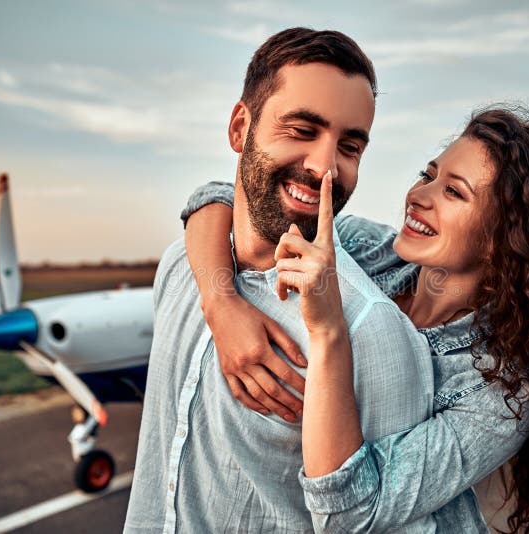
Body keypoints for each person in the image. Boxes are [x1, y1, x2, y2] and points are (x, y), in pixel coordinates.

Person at [181, 107, 529, 532]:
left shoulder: (498, 394)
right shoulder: (366, 250)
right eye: (429, 175)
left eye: (454, 192)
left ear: (506, 238)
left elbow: (352, 511)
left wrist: (330, 330)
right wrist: (221, 305)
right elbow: (222, 198)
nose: (419, 196)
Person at [125, 27, 449, 533]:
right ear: (239, 128)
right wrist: (220, 298)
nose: (325, 166)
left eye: (349, 145)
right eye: (301, 130)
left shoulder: (370, 333)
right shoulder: (179, 266)